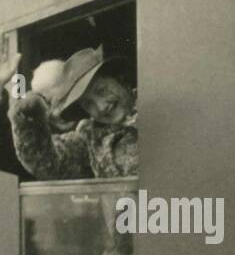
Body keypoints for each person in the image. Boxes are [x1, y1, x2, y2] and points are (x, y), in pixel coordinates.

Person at [8, 46, 138, 180]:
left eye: (102, 90)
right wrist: (29, 113)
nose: (101, 106)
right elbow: (47, 164)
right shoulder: (91, 138)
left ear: (118, 79)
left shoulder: (154, 104)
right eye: (88, 104)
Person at [0, 32, 79, 179]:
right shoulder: (33, 136)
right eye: (45, 100)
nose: (55, 108)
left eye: (63, 98)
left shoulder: (92, 124)